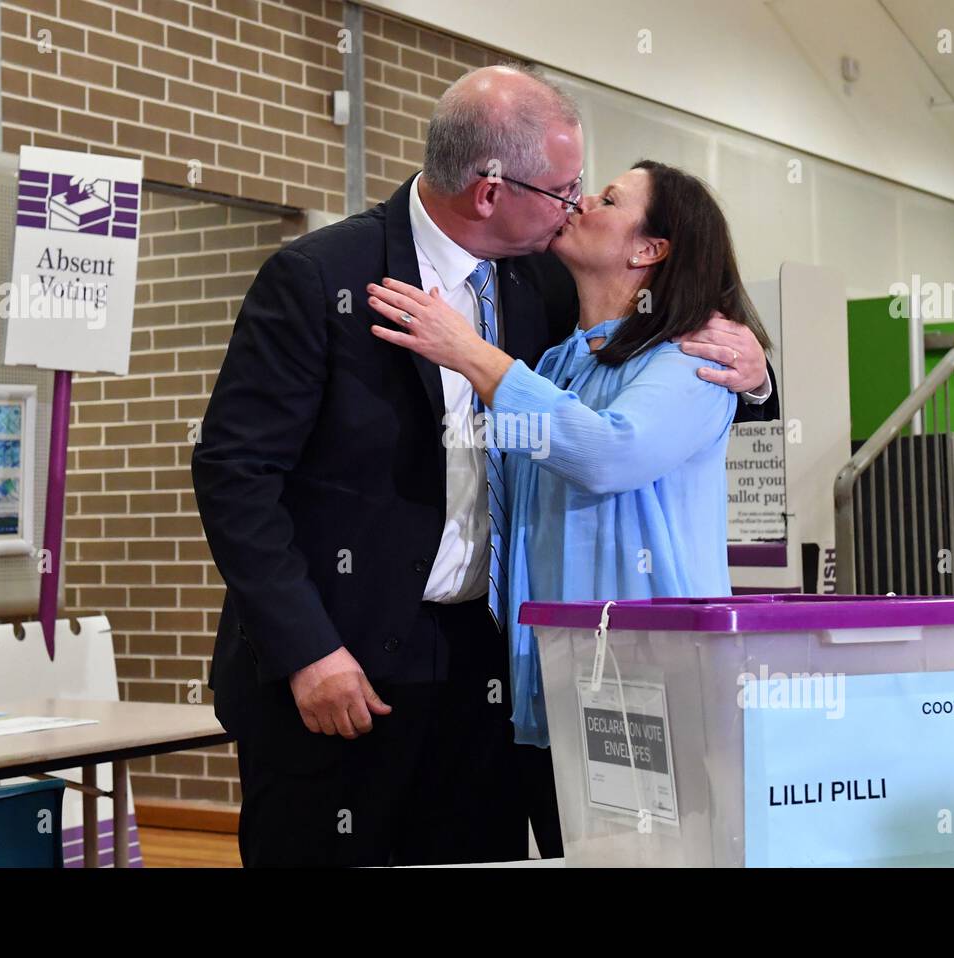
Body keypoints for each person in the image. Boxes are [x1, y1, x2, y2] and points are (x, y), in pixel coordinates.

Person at [192, 64, 778, 867]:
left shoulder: (548, 278)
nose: (577, 205)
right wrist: (306, 649)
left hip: (490, 669)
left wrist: (756, 375)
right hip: (342, 668)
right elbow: (233, 474)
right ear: (490, 192)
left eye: (591, 193)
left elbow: (645, 386)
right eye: (566, 188)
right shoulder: (322, 277)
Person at [367, 159, 771, 745]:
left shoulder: (693, 358)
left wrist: (469, 353)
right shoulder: (557, 361)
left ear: (647, 251)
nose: (580, 202)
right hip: (550, 681)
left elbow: (607, 453)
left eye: (608, 201)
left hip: (649, 682)